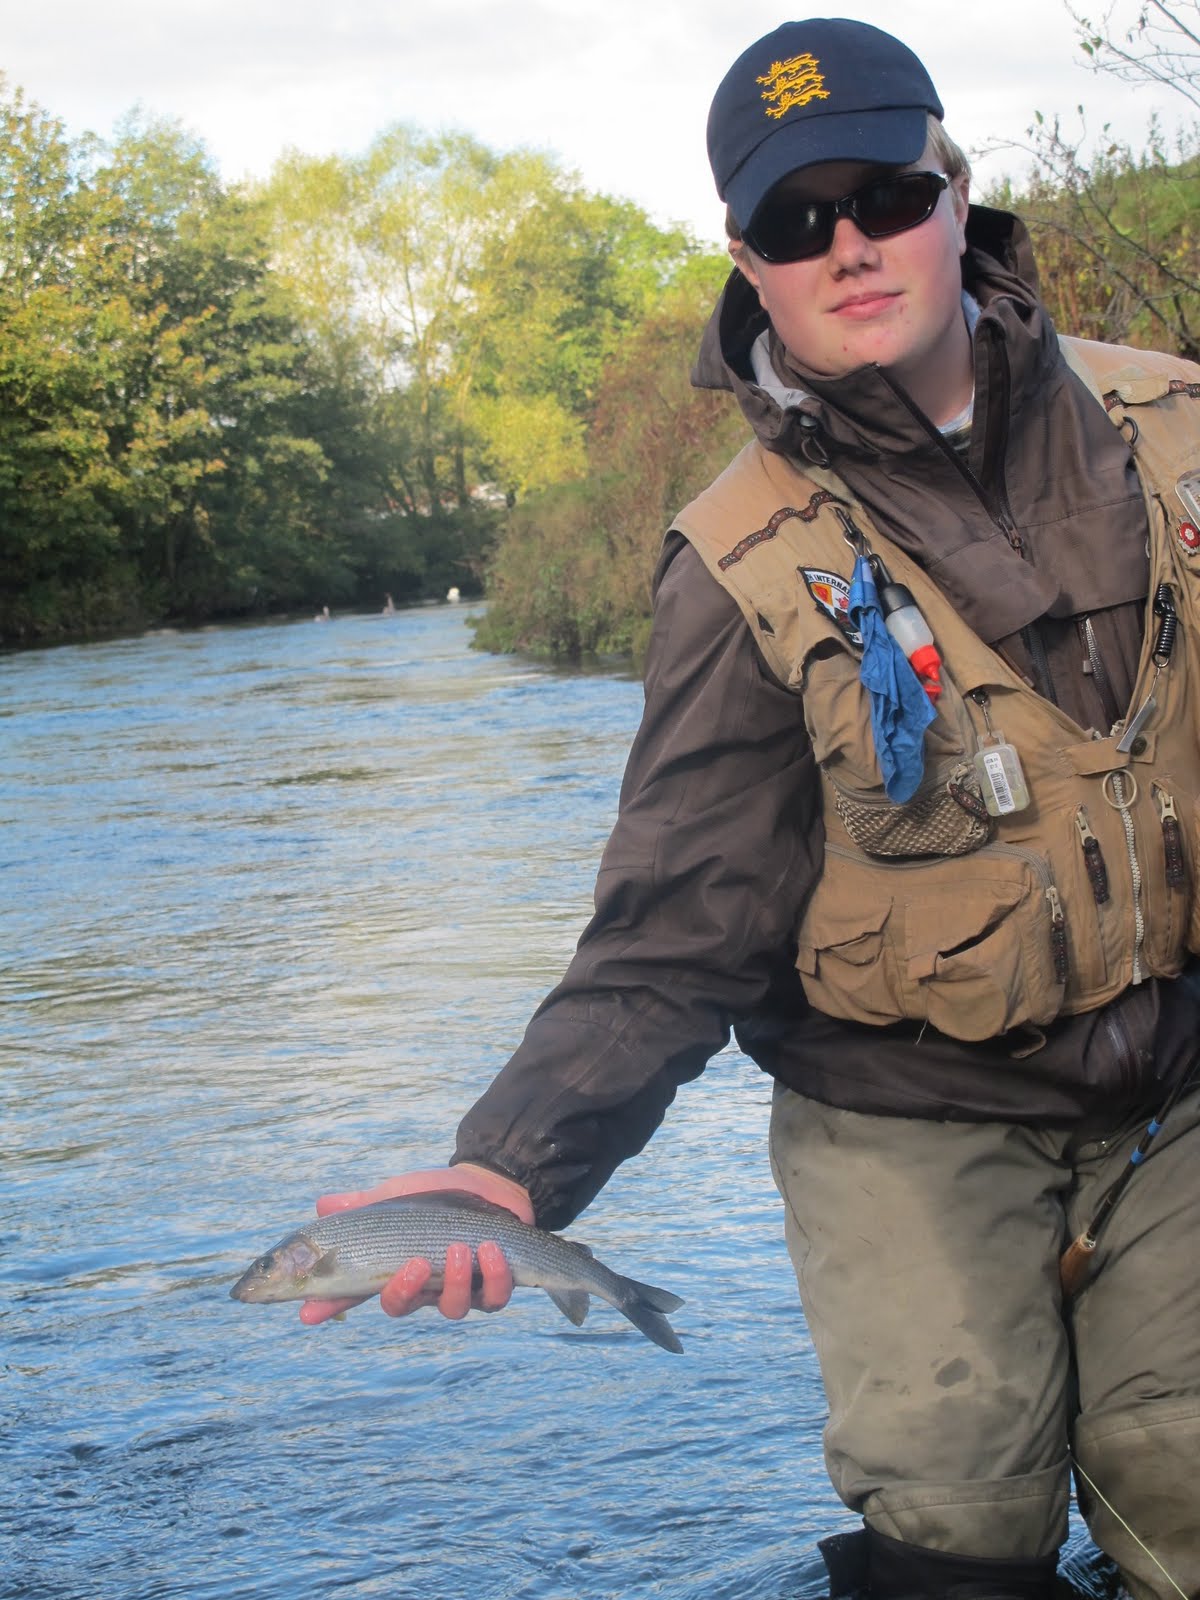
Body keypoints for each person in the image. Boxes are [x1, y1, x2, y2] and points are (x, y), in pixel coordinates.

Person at [301, 20, 1200, 1598]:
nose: (850, 245)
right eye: (799, 220)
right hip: (904, 1114)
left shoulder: (1179, 433)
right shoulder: (731, 563)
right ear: (748, 257)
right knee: (955, 1528)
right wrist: (511, 1170)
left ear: (956, 191)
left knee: (1183, 1484)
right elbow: (680, 930)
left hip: (1182, 1077)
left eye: (883, 196)